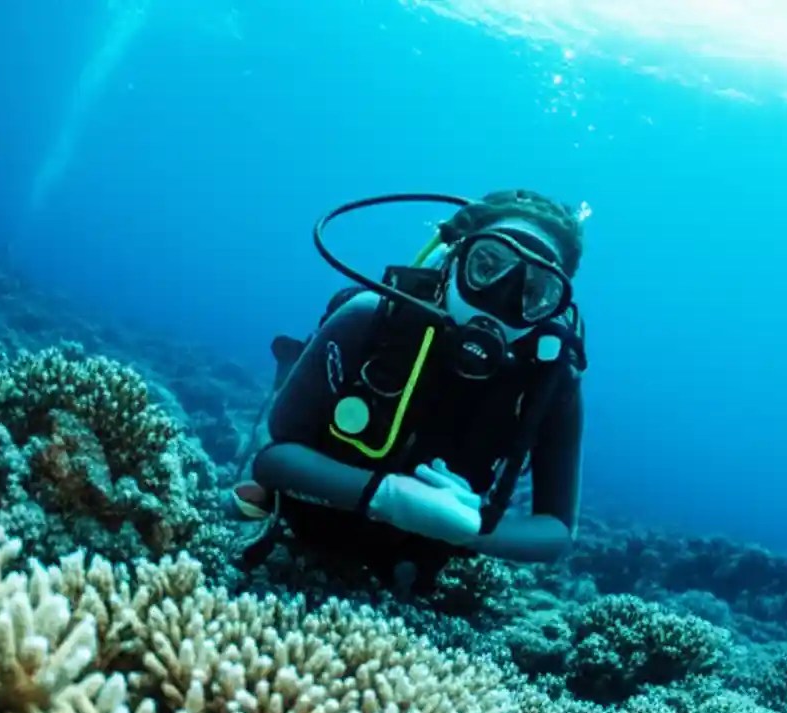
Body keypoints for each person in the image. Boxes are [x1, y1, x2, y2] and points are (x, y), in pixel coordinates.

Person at [229, 189, 589, 592]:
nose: (502, 298)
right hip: (308, 516)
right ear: (453, 260)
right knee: (251, 494)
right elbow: (274, 458)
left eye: (535, 291)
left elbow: (555, 531)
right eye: (488, 265)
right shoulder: (368, 317)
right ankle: (293, 368)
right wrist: (389, 497)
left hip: (411, 561)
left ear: (553, 308)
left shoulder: (552, 384)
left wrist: (473, 531)